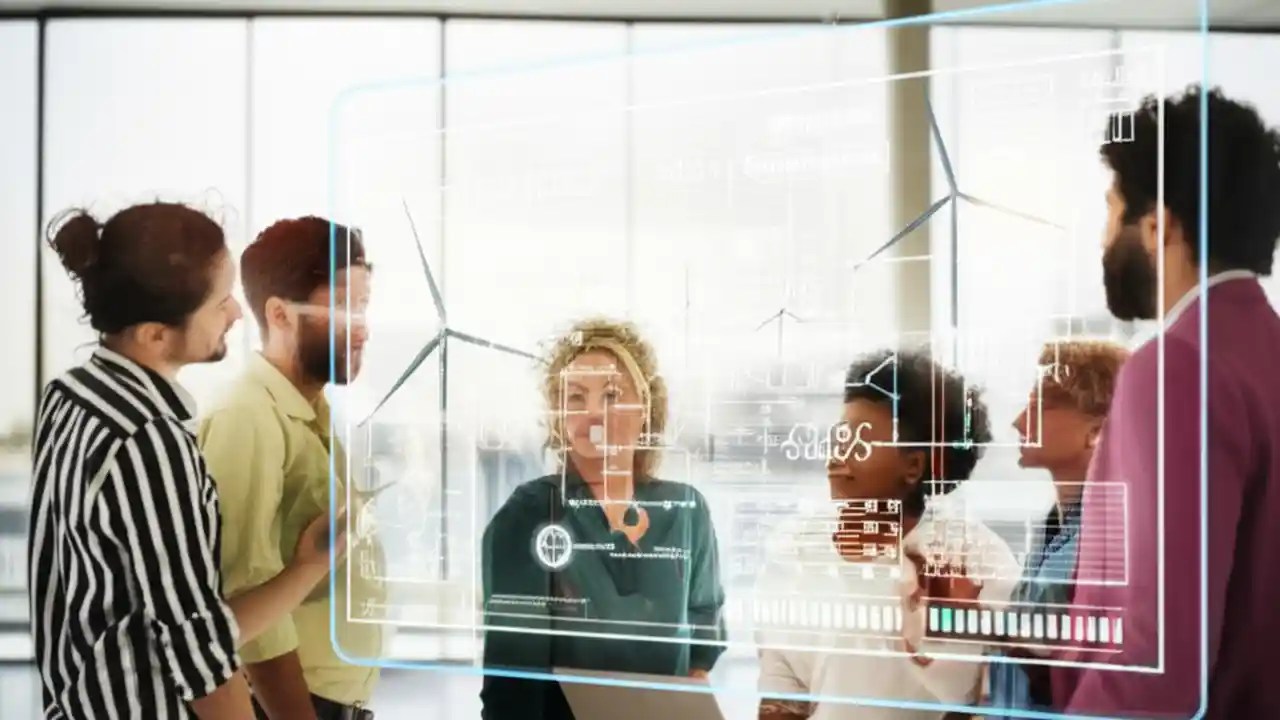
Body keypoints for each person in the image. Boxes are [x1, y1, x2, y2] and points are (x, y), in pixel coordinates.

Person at [29, 203, 338, 720]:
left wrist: (309, 566)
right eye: (220, 303)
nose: (239, 313)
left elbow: (176, 615)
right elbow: (199, 653)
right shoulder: (150, 439)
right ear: (155, 334)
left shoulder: (69, 396)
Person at [1051, 87, 1280, 717]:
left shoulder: (1176, 367)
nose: (1103, 237)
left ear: (1158, 226)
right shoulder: (1264, 350)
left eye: (1111, 211)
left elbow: (1154, 664)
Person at [480, 317, 727, 720]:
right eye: (575, 398)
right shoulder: (528, 515)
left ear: (645, 407)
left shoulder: (686, 511)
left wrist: (688, 695)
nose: (592, 413)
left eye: (611, 395)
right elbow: (512, 685)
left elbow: (705, 630)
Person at [756, 348, 1020, 720]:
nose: (838, 453)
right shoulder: (793, 550)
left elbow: (986, 703)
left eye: (861, 440)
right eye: (840, 434)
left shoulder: (976, 557)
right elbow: (781, 696)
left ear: (913, 465)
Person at [198, 217, 384, 720]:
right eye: (344, 304)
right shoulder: (248, 417)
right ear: (279, 314)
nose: (362, 325)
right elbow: (241, 612)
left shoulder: (312, 416)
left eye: (365, 305)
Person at [983, 339, 1128, 716]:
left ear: (1095, 431)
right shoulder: (1055, 530)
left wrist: (973, 615)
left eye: (1039, 407)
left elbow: (1081, 674)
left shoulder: (1115, 544)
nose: (1019, 422)